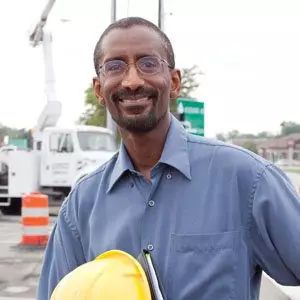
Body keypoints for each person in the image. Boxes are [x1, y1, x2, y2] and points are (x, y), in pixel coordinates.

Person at [37, 16, 300, 300]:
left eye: (148, 63)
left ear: (174, 82)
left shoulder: (246, 179)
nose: (133, 80)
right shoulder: (81, 206)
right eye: (115, 66)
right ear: (100, 89)